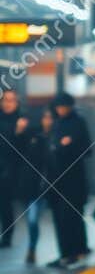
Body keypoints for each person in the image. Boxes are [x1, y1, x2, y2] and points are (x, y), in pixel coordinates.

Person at [46, 93, 90, 269]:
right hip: (56, 179)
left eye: (63, 106)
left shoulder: (78, 123)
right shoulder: (56, 124)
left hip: (73, 178)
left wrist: (68, 145)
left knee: (70, 216)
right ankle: (67, 252)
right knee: (61, 217)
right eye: (58, 107)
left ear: (70, 106)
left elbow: (88, 149)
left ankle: (73, 252)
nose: (60, 110)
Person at [14, 110, 51, 265]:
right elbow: (16, 149)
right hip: (31, 186)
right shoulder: (32, 136)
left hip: (46, 186)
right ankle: (32, 248)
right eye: (45, 117)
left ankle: (32, 248)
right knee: (31, 220)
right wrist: (19, 132)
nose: (48, 121)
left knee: (33, 219)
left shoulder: (53, 137)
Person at [0, 90, 21, 248]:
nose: (8, 103)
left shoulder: (22, 121)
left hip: (11, 169)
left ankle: (7, 237)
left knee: (5, 204)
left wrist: (19, 133)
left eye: (11, 100)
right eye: (5, 100)